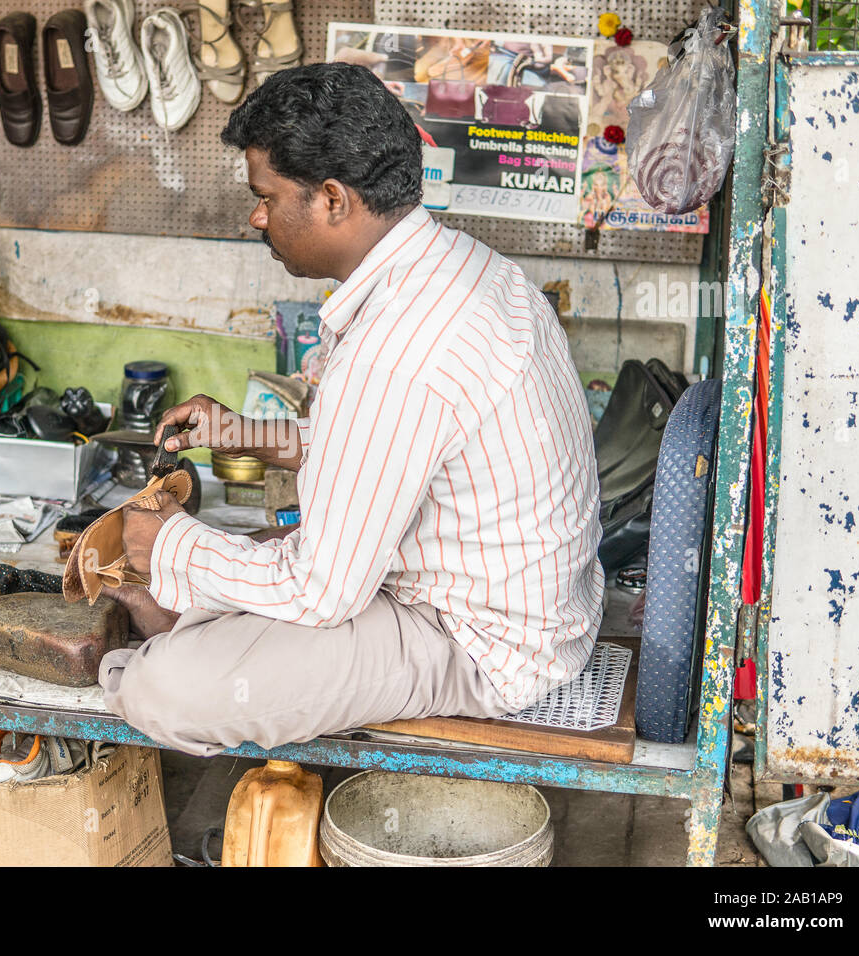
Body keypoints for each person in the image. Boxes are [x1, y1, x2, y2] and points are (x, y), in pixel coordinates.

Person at [97, 62, 604, 757]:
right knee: (228, 570)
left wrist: (171, 544)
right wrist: (249, 435)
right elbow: (391, 445)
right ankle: (186, 608)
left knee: (173, 686)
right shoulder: (462, 269)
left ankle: (168, 636)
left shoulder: (396, 345)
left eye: (266, 196)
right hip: (512, 603)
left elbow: (322, 591)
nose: (257, 215)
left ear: (332, 199)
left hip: (478, 643)